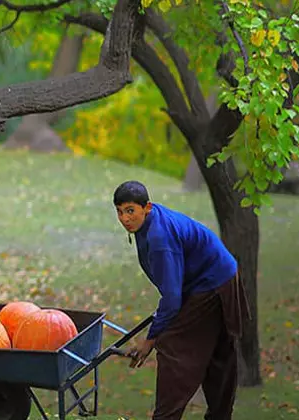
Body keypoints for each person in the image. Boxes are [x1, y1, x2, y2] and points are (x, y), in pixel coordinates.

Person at [113, 180, 250, 420]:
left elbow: (172, 298)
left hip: (213, 283)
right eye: (120, 211)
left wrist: (149, 341)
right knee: (217, 353)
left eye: (130, 210)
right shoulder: (150, 222)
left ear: (147, 207)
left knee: (172, 345)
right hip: (212, 279)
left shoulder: (158, 238)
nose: (125, 218)